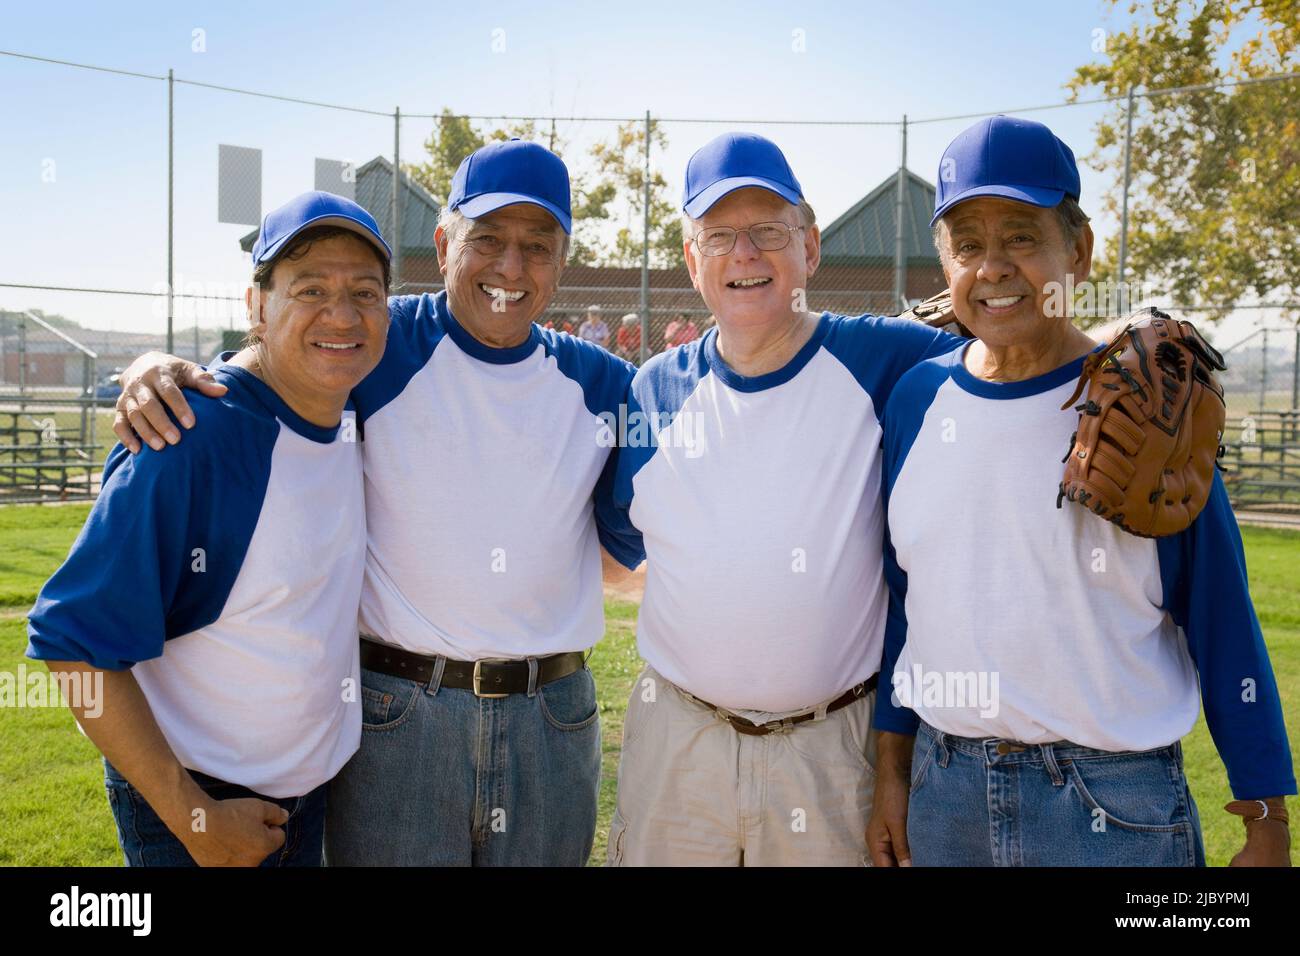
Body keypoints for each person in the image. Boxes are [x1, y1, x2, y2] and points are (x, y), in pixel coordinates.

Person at [109, 140, 644, 866]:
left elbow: (635, 537)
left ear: (563, 257)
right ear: (445, 241)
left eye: (537, 246)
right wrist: (154, 368)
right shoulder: (377, 337)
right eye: (487, 239)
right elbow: (277, 358)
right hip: (401, 711)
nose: (510, 269)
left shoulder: (605, 385)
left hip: (551, 714)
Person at [867, 116, 1294, 867]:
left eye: (1023, 237)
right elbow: (910, 606)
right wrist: (893, 775)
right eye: (968, 244)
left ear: (1080, 251)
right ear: (946, 264)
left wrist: (1266, 817)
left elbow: (1221, 614)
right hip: (947, 790)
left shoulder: (1150, 403)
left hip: (1111, 805)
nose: (993, 267)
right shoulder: (915, 400)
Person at [603, 133, 964, 866]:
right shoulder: (652, 391)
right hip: (679, 743)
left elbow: (1019, 354)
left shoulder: (883, 358)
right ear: (690, 259)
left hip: (830, 747)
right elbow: (618, 550)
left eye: (769, 231)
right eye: (719, 236)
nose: (745, 254)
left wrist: (1135, 332)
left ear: (811, 247)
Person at [27, 191, 391, 866]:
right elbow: (70, 643)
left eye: (365, 292)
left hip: (308, 798)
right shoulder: (191, 435)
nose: (342, 315)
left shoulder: (355, 406)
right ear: (256, 307)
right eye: (309, 288)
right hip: (199, 808)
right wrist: (192, 816)